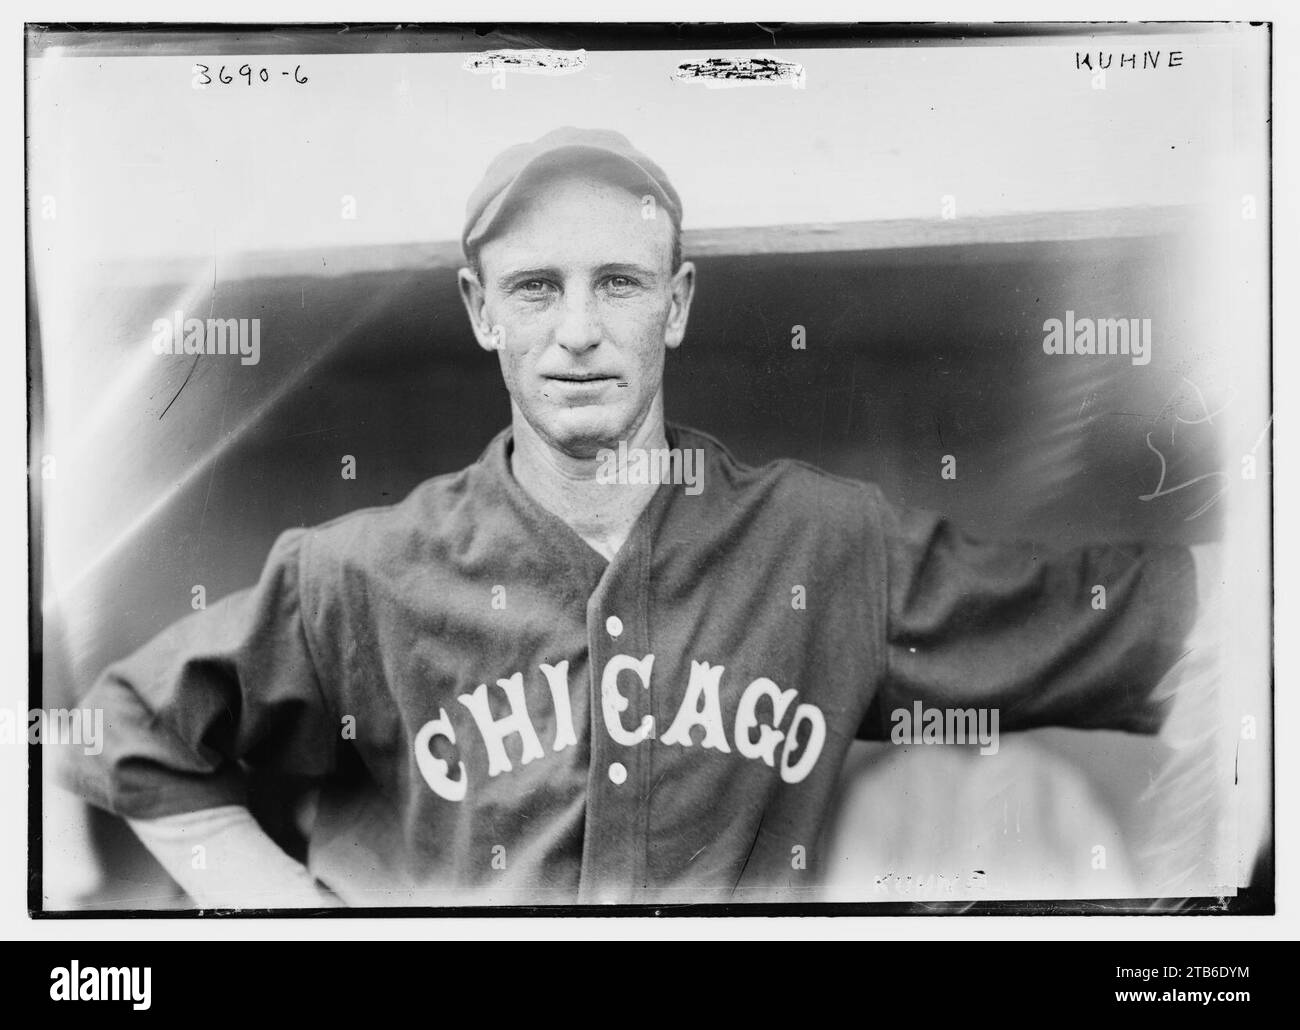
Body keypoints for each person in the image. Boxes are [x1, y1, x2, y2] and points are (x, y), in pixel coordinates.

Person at [61, 127, 1214, 908]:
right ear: (478, 311)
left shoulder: (825, 542)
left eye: (618, 282)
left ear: (677, 304)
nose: (576, 330)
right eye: (535, 287)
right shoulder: (359, 572)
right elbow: (121, 732)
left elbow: (1123, 620)